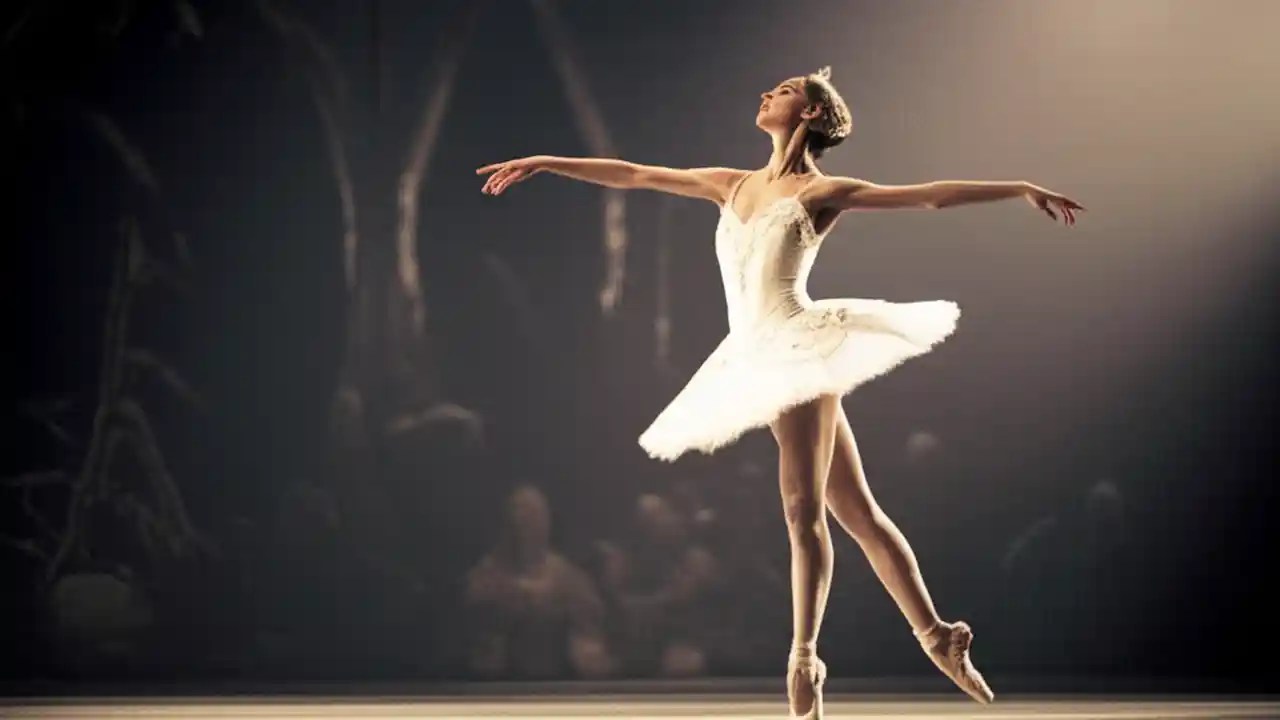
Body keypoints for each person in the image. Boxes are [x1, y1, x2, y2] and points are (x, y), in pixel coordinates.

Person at [477, 66, 1083, 718]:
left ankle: (804, 659)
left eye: (787, 89)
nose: (769, 92)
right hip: (751, 354)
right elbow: (633, 173)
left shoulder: (824, 191)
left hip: (799, 345)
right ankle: (939, 637)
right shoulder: (730, 184)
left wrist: (1019, 187)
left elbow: (929, 196)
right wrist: (545, 160)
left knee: (801, 509)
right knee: (857, 513)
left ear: (813, 115)